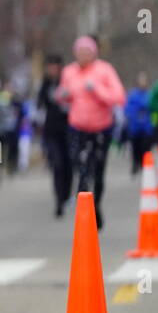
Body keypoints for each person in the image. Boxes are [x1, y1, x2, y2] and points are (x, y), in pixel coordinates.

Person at [57, 35, 125, 230]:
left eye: (87, 51)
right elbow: (62, 97)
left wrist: (97, 90)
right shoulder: (69, 72)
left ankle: (97, 205)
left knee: (99, 170)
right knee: (81, 167)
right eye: (79, 52)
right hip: (77, 127)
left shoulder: (104, 70)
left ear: (94, 53)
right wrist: (63, 95)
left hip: (101, 128)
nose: (83, 55)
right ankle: (84, 209)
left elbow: (118, 97)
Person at [35, 55, 72, 217]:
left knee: (69, 165)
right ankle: (59, 200)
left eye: (55, 67)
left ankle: (66, 195)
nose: (53, 70)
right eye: (50, 67)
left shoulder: (68, 82)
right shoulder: (45, 85)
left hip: (69, 129)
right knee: (57, 165)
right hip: (51, 131)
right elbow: (38, 106)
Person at [124, 72, 154, 175]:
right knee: (135, 148)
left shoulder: (150, 95)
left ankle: (144, 165)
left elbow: (153, 109)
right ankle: (135, 164)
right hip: (135, 127)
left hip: (146, 128)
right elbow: (127, 109)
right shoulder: (133, 94)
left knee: (145, 148)